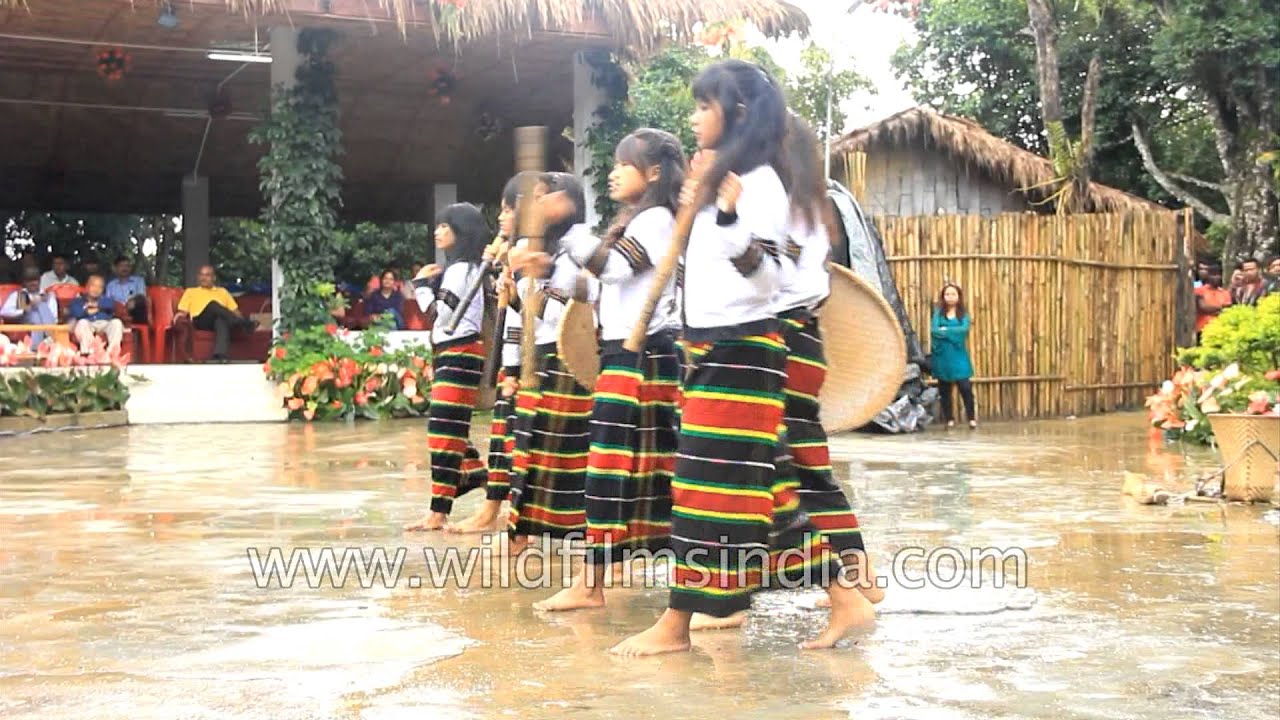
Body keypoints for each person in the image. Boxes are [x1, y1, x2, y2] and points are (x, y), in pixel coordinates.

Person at [610, 60, 870, 658]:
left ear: (740, 114)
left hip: (744, 349)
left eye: (705, 105)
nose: (694, 116)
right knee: (721, 489)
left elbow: (767, 279)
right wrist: (701, 200)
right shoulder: (722, 177)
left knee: (720, 490)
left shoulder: (762, 184)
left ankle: (678, 624)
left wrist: (726, 215)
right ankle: (840, 596)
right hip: (708, 346)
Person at [530, 129, 686, 612]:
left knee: (622, 471)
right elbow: (600, 286)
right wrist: (544, 271)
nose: (614, 172)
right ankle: (594, 580)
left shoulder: (658, 218)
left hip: (642, 356)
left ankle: (597, 582)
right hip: (626, 354)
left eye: (625, 164)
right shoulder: (639, 220)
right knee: (615, 473)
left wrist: (569, 226)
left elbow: (613, 268)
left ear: (654, 173)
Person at [503, 172, 598, 551]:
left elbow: (567, 317)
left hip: (567, 365)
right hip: (539, 359)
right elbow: (529, 314)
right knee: (528, 453)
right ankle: (519, 534)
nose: (534, 206)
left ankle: (592, 545)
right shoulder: (543, 248)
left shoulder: (581, 247)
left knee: (566, 458)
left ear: (566, 203)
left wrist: (529, 280)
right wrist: (517, 284)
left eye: (543, 197)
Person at [449, 172, 539, 535]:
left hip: (526, 358)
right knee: (502, 440)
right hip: (511, 357)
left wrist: (516, 370)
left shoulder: (532, 251)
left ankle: (512, 517)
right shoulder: (509, 253)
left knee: (518, 444)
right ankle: (491, 509)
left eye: (507, 210)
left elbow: (524, 309)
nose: (500, 218)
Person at [403, 203, 493, 532]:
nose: (437, 231)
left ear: (461, 231)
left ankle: (441, 508)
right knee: (448, 431)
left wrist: (421, 286)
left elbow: (442, 315)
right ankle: (476, 479)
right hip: (455, 352)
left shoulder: (461, 271)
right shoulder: (462, 270)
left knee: (444, 432)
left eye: (445, 226)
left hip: (459, 351)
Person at [176, 265, 257, 362]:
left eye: (207, 275)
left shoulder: (223, 292)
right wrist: (178, 316)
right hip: (200, 321)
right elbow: (183, 311)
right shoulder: (190, 292)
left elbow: (235, 311)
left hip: (218, 321)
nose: (203, 278)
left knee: (221, 320)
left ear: (213, 278)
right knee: (213, 305)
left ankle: (220, 355)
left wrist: (239, 317)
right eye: (201, 275)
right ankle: (244, 323)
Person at [930, 283, 976, 429]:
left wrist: (945, 330)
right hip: (942, 356)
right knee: (944, 389)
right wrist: (952, 332)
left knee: (965, 387)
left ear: (958, 296)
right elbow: (934, 331)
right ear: (943, 297)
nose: (950, 297)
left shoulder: (963, 314)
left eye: (953, 294)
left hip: (958, 355)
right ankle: (949, 419)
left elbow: (963, 330)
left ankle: (971, 418)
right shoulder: (938, 313)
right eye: (947, 294)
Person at [0, 267, 59, 344]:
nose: (32, 283)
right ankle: (46, 340)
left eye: (35, 280)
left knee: (40, 306)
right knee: (34, 314)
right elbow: (3, 312)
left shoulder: (48, 296)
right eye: (29, 281)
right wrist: (26, 307)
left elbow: (53, 316)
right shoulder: (18, 295)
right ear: (24, 282)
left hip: (46, 324)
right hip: (24, 322)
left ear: (39, 281)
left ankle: (43, 341)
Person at [68, 275, 124, 355]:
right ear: (87, 287)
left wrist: (95, 306)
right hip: (88, 323)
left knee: (117, 323)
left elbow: (111, 305)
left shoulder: (105, 299)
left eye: (100, 287)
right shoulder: (78, 301)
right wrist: (89, 311)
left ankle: (112, 354)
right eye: (93, 286)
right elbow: (77, 313)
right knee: (82, 323)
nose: (96, 289)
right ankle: (88, 354)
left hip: (104, 323)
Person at [1193, 264, 1231, 340]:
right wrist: (1220, 308)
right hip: (1202, 329)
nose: (1216, 277)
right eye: (1213, 275)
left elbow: (1227, 311)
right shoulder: (1199, 290)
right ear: (1208, 276)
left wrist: (1212, 309)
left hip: (1220, 330)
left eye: (1218, 275)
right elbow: (1203, 307)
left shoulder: (1225, 293)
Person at [105, 256, 148, 324]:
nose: (125, 268)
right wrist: (118, 307)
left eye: (127, 266)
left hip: (134, 309)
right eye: (121, 266)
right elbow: (107, 300)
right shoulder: (111, 285)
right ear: (115, 268)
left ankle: (137, 333)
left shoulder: (138, 281)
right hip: (117, 312)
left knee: (140, 305)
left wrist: (134, 300)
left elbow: (142, 296)